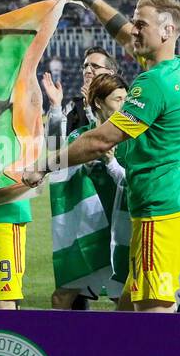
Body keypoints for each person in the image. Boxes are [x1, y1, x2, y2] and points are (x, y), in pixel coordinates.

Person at [36, 0, 180, 313]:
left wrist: (43, 164)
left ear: (167, 31)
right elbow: (124, 33)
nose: (133, 30)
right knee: (125, 315)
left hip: (160, 216)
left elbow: (102, 140)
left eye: (142, 24)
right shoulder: (178, 68)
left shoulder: (154, 83)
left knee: (153, 322)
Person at [46, 71, 130, 309]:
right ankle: (58, 346)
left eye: (126, 99)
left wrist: (111, 165)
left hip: (120, 233)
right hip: (87, 231)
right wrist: (54, 108)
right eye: (118, 99)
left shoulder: (130, 139)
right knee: (62, 296)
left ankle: (123, 347)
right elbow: (55, 158)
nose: (124, 106)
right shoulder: (81, 138)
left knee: (124, 299)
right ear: (98, 103)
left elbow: (137, 183)